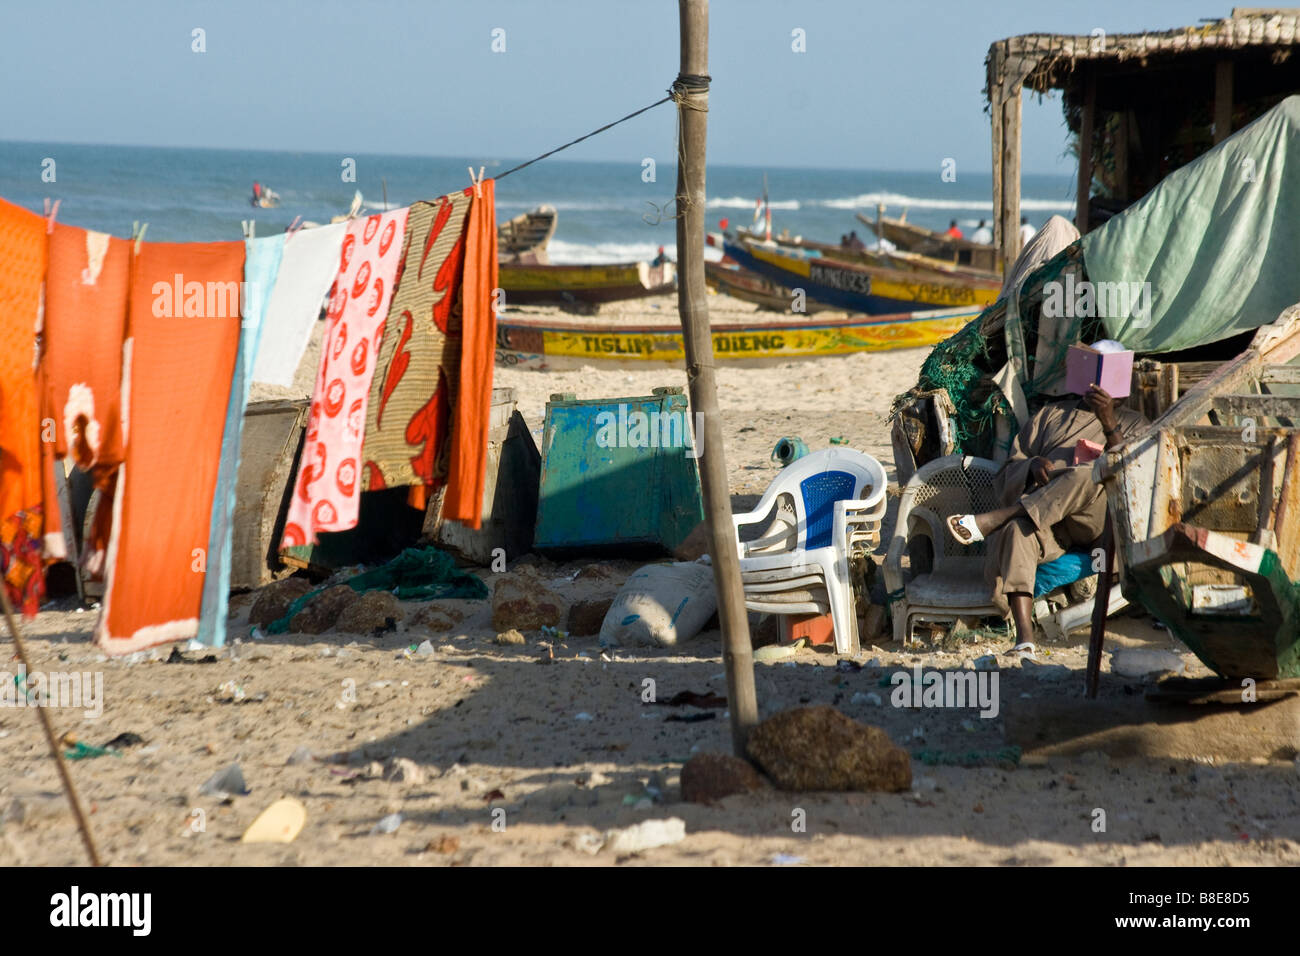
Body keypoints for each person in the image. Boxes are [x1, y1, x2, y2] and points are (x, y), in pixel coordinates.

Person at [946, 376, 1147, 649]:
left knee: (1089, 473)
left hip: (1100, 523)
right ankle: (1024, 639)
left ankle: (999, 517)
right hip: (1050, 523)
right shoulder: (1052, 415)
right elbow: (1007, 472)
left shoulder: (1137, 423)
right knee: (1017, 531)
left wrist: (1109, 422)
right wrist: (1030, 466)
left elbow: (1134, 476)